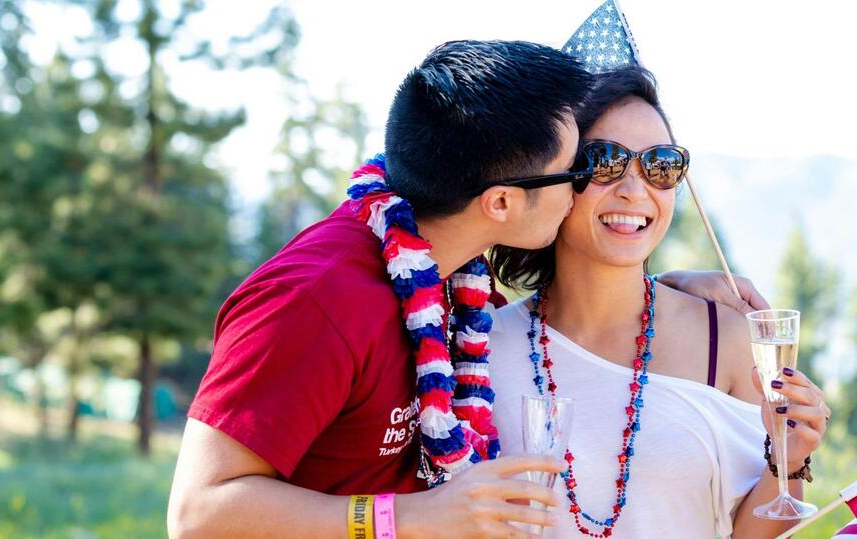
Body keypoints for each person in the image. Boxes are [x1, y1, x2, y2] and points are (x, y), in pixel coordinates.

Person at [167, 41, 768, 539]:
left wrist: (663, 288)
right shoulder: (315, 298)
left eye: (657, 166)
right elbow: (196, 514)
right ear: (502, 203)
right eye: (582, 169)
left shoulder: (459, 290)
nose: (599, 190)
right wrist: (412, 517)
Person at [488, 65, 830, 538]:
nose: (634, 190)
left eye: (660, 165)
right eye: (604, 161)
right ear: (556, 178)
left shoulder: (725, 339)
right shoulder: (483, 346)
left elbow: (754, 534)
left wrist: (789, 458)